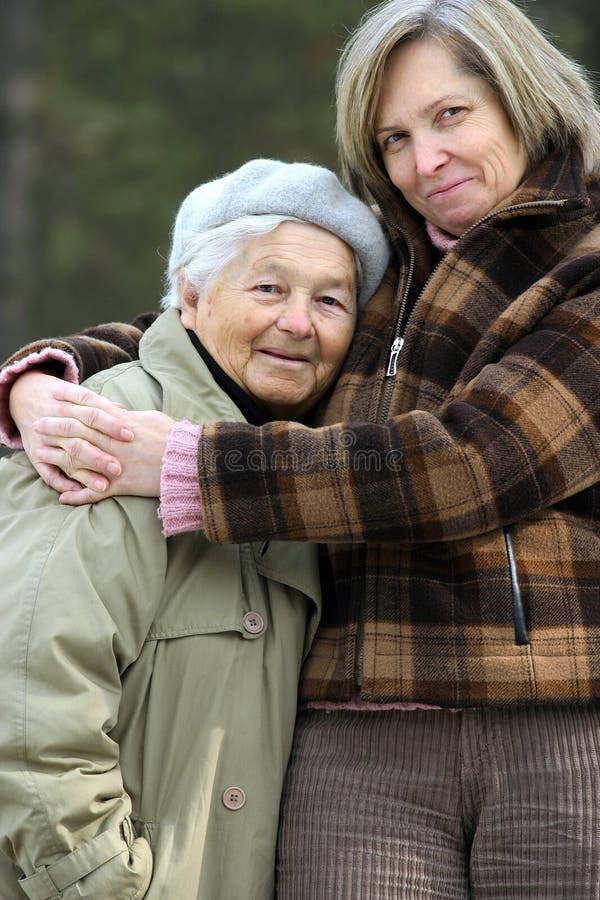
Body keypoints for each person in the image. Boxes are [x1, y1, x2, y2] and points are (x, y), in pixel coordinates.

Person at [2, 0, 600, 897]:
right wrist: (48, 377)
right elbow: (208, 316)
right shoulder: (374, 262)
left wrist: (193, 468)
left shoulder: (588, 266)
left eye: (450, 116)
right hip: (353, 738)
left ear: (522, 94)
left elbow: (472, 464)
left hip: (554, 727)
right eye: (393, 139)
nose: (425, 162)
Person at [0, 158, 390, 900]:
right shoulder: (101, 433)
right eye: (269, 287)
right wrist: (105, 885)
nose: (299, 322)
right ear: (190, 292)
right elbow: (24, 702)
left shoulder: (309, 477)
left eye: (332, 301)